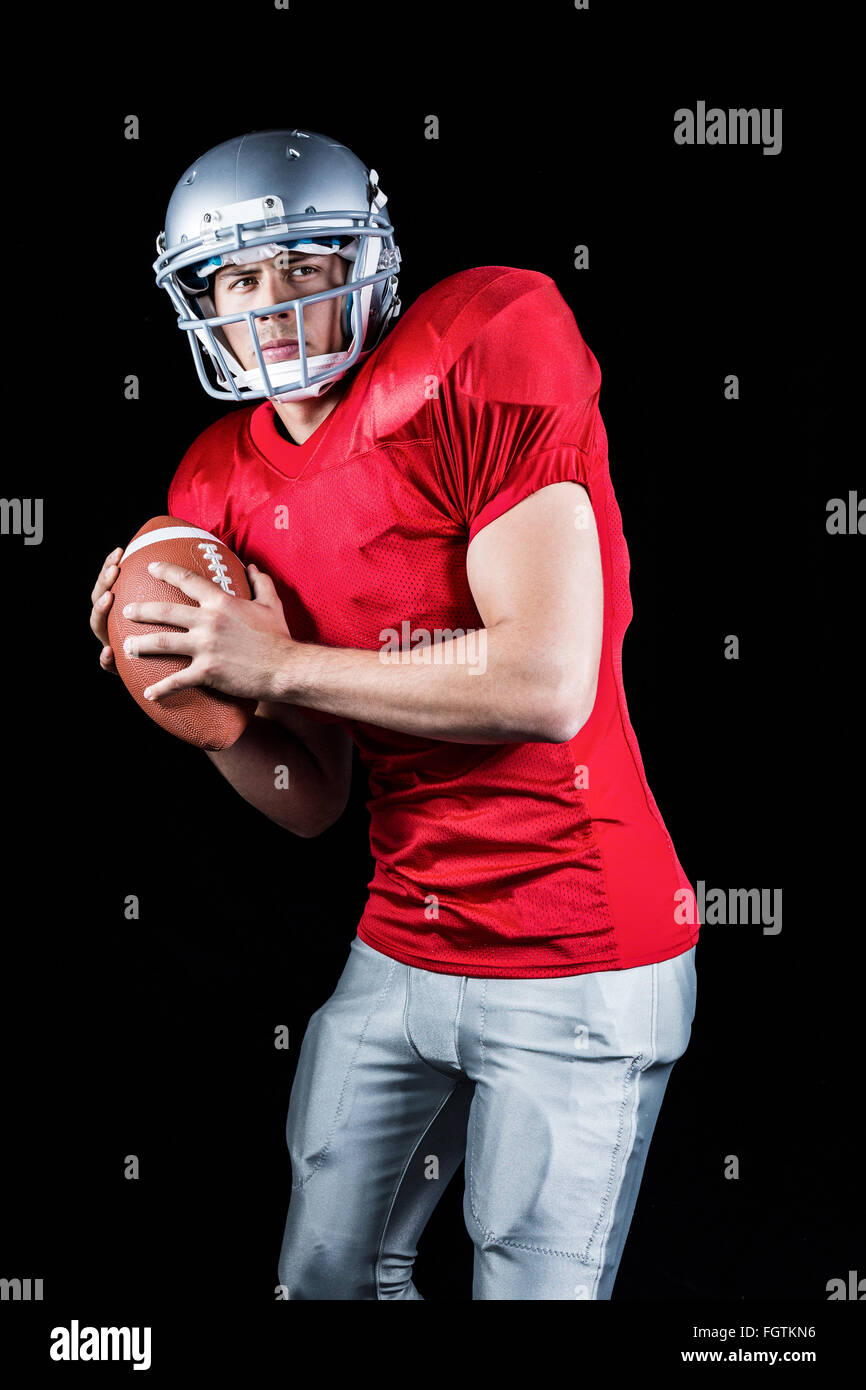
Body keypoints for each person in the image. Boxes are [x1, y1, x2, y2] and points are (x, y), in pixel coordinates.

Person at [89, 128, 699, 1300]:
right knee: (323, 1271)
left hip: (577, 939)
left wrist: (270, 663)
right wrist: (193, 688)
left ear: (366, 260)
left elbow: (543, 681)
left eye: (307, 262)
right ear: (198, 297)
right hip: (407, 931)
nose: (272, 305)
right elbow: (310, 798)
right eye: (238, 278)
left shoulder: (477, 346)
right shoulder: (216, 478)